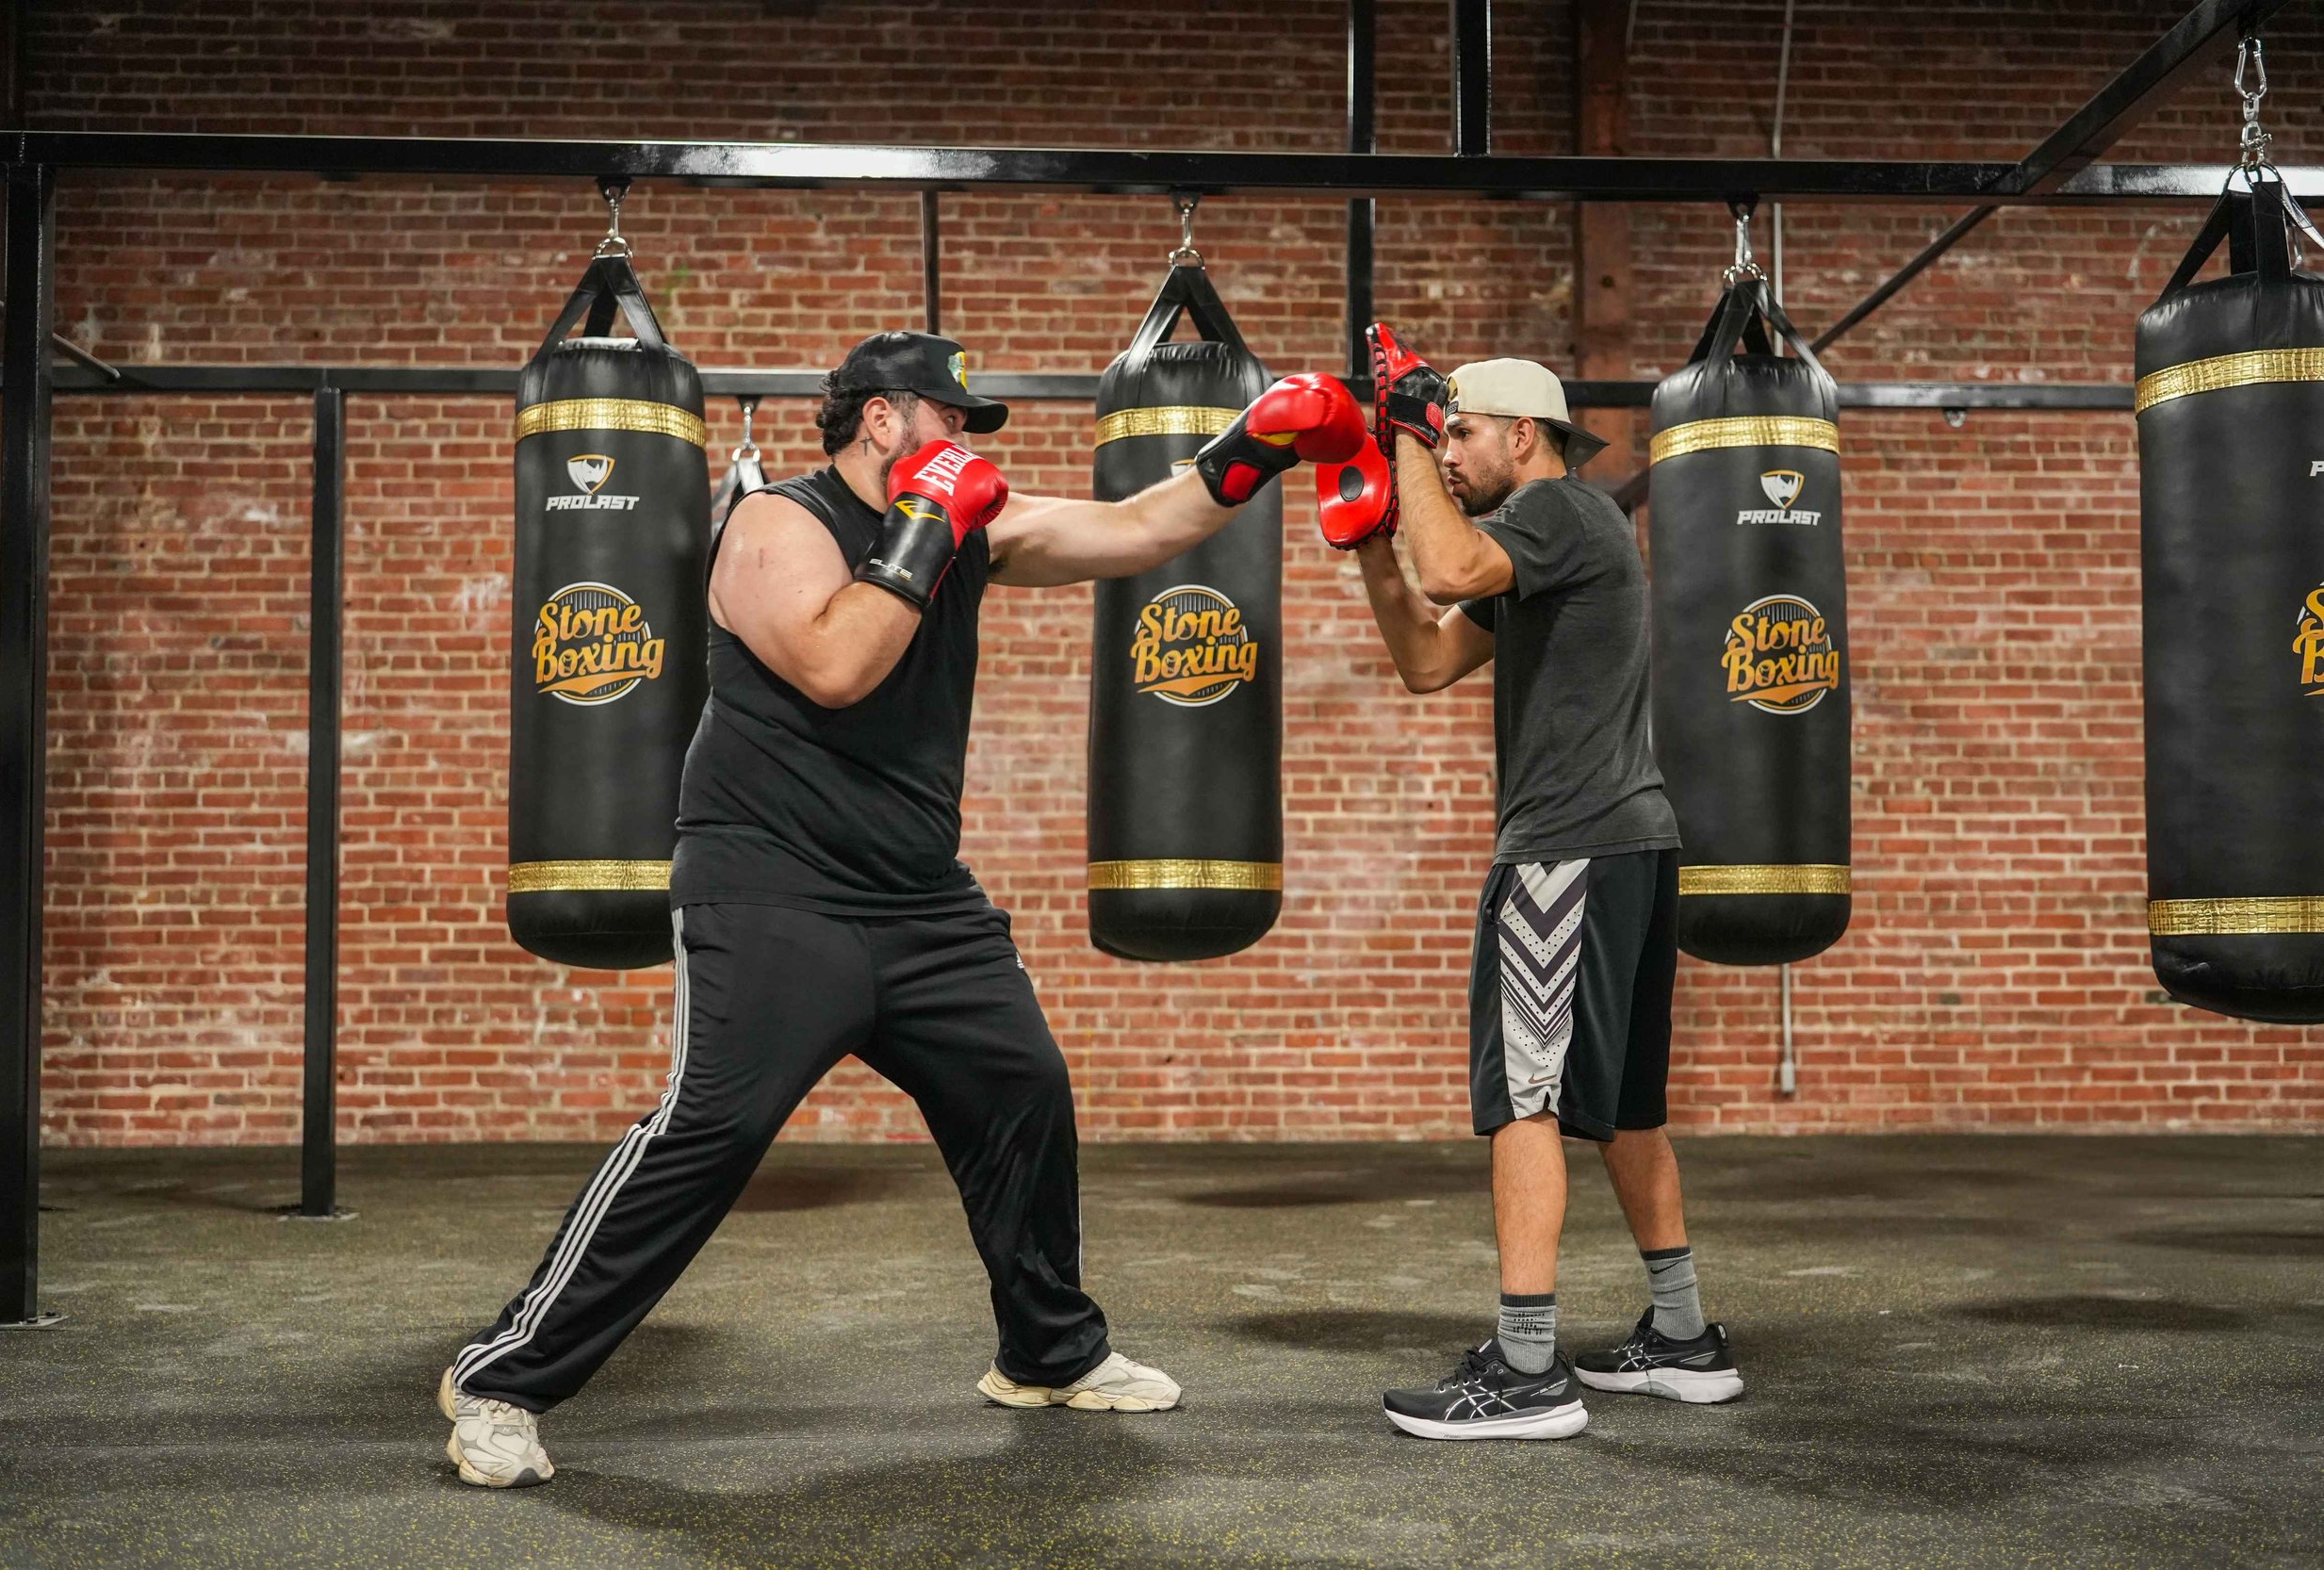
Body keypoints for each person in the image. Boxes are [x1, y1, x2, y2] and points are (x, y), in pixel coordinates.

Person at [439, 330, 1366, 1486]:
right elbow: (838, 665)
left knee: (1021, 1088)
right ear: (882, 418)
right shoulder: (778, 524)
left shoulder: (968, 517)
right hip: (773, 887)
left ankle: (1046, 1353)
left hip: (921, 899)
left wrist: (1262, 442)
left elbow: (1138, 527)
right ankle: (503, 1376)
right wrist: (928, 525)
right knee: (710, 1131)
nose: (966, 441)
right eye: (949, 418)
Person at [1317, 325, 1743, 1441]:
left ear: (1523, 437)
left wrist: (1402, 436)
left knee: (1525, 1093)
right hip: (1630, 846)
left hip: (1567, 847)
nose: (1446, 454)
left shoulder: (1557, 510)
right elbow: (1424, 659)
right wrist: (1370, 543)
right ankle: (1683, 1336)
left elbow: (1449, 563)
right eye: (1439, 433)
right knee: (1627, 1105)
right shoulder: (1546, 547)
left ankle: (1525, 1368)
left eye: (1460, 435)